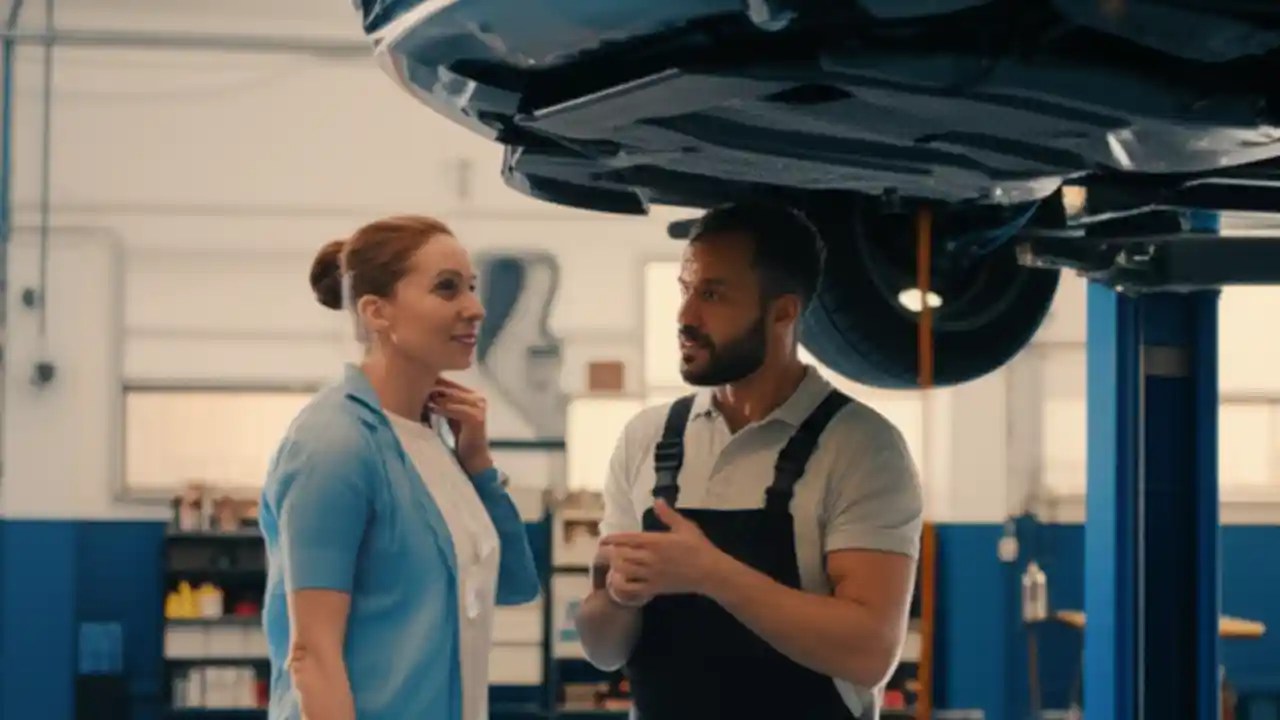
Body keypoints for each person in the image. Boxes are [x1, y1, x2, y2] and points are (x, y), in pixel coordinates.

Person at [574, 201, 924, 720]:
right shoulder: (647, 437)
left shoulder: (862, 447)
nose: (686, 317)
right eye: (686, 290)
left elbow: (869, 651)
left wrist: (711, 573)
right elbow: (604, 651)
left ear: (783, 312)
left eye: (712, 294)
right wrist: (616, 601)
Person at [258, 214, 541, 720]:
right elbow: (312, 655)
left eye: (472, 288)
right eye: (447, 289)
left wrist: (477, 466)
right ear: (377, 312)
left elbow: (514, 583)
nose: (475, 308)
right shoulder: (334, 445)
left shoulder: (432, 441)